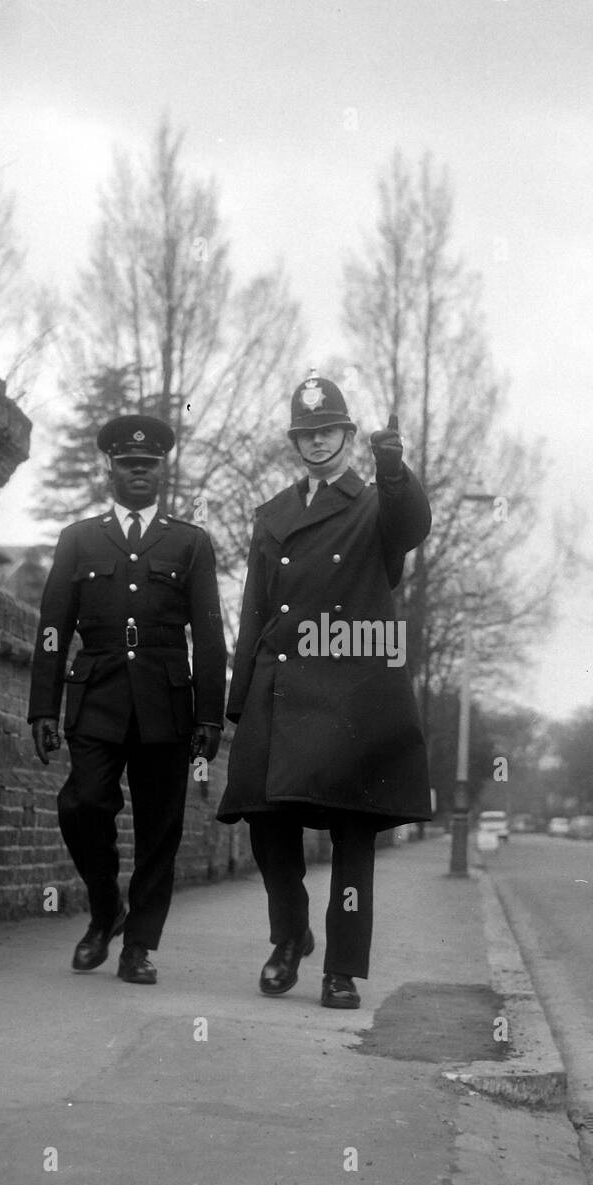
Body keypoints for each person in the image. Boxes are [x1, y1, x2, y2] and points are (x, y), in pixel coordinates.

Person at [217, 372, 432, 1009]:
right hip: (279, 685)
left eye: (328, 431)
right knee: (263, 820)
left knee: (352, 835)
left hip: (353, 689)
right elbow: (253, 609)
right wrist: (238, 698)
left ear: (346, 434)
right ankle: (290, 936)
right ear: (296, 441)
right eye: (305, 434)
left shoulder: (376, 507)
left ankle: (341, 968)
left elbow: (412, 523)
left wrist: (392, 467)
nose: (317, 443)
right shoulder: (272, 516)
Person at [29, 414, 226, 983]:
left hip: (167, 703)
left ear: (161, 470)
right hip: (96, 696)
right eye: (128, 465)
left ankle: (139, 946)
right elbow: (52, 629)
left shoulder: (189, 542)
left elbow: (210, 635)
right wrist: (43, 707)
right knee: (81, 804)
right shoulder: (79, 539)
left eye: (150, 465)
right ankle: (104, 909)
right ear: (109, 469)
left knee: (160, 828)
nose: (139, 473)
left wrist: (209, 714)